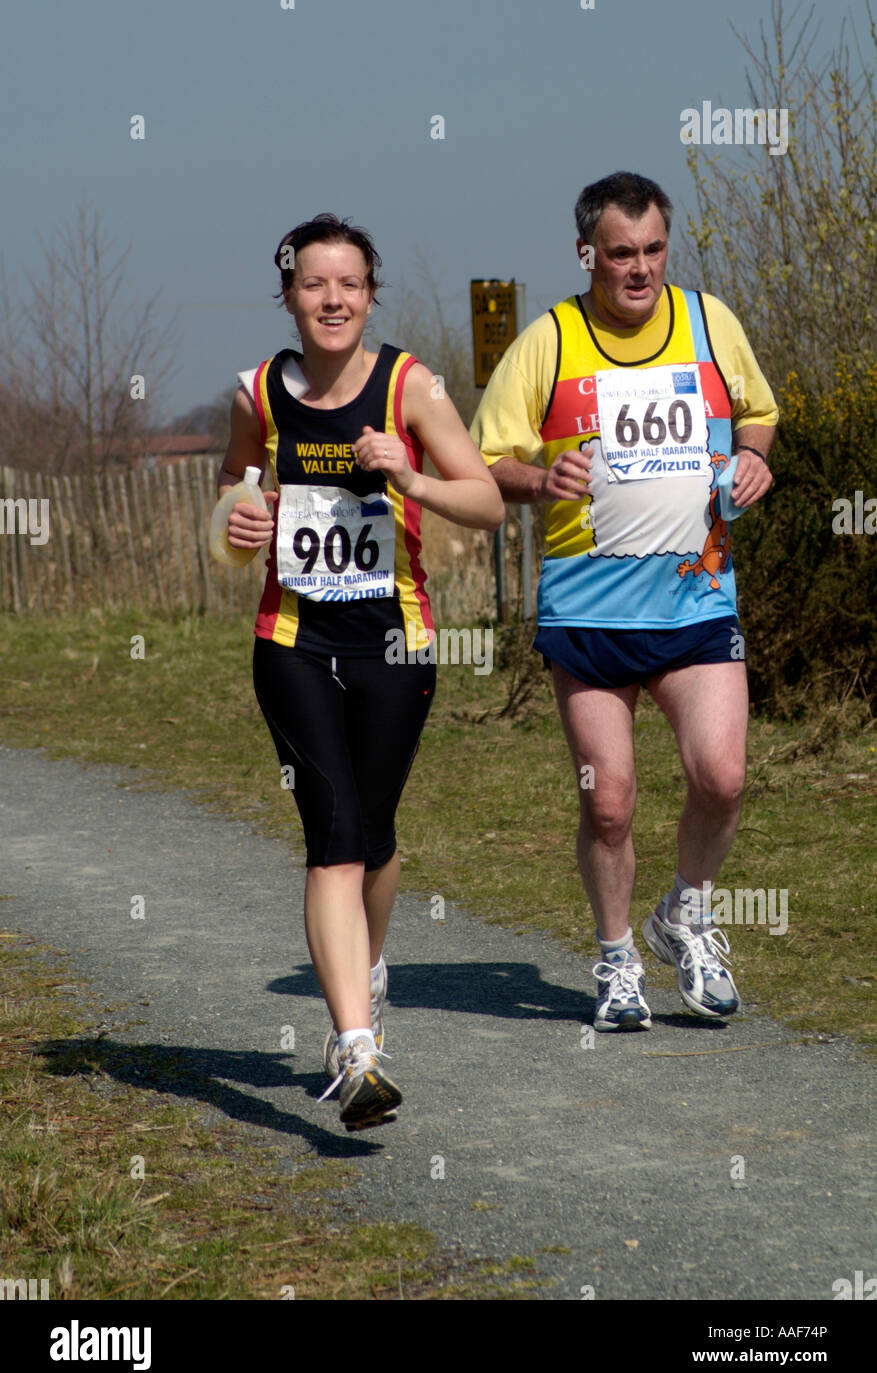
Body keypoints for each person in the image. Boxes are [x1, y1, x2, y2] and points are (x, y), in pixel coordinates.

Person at [470, 172, 778, 1031]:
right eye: (619, 255)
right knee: (607, 801)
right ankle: (614, 962)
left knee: (721, 777)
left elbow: (758, 411)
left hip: (694, 602)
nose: (638, 270)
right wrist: (539, 476)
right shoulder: (549, 340)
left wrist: (753, 457)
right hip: (588, 615)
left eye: (651, 251)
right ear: (586, 254)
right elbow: (482, 458)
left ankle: (686, 912)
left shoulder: (710, 323)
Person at [217, 213, 503, 1130]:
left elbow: (489, 501)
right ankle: (355, 1049)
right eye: (313, 284)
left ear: (370, 294)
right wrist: (238, 521)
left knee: (373, 833)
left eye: (349, 285)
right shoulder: (258, 391)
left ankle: (365, 971)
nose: (332, 299)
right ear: (290, 295)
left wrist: (412, 481)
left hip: (396, 641)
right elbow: (232, 494)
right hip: (292, 641)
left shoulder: (407, 387)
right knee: (333, 831)